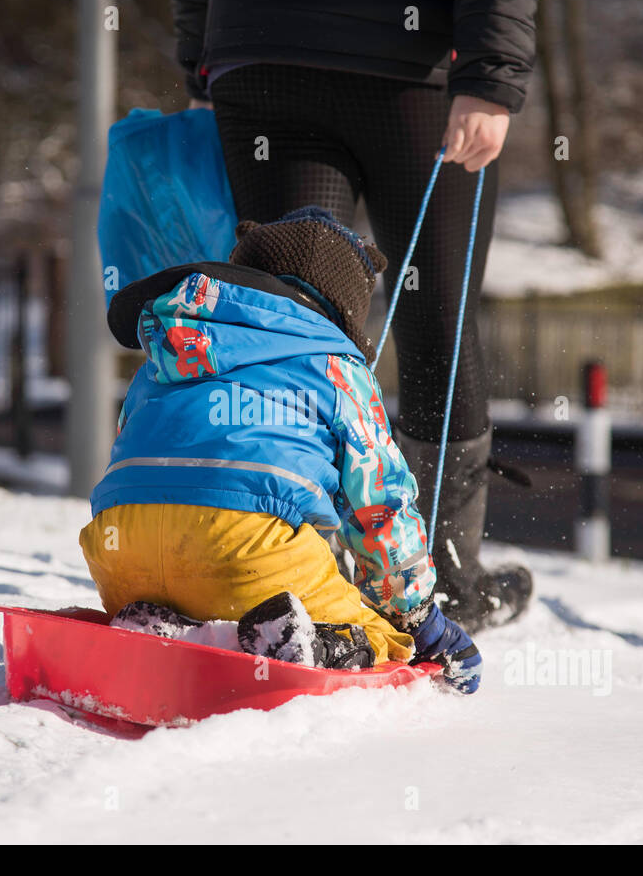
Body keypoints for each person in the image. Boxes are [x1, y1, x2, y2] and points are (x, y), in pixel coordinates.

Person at [170, 0, 543, 632]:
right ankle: (442, 577)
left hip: (259, 51)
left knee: (285, 331)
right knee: (436, 326)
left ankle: (290, 566)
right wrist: (491, 75)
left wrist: (202, 55)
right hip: (409, 64)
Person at [79, 207, 482, 692]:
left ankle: (166, 627)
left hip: (119, 550)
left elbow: (133, 447)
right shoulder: (336, 368)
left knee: (201, 569)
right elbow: (379, 504)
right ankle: (312, 645)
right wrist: (419, 618)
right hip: (247, 553)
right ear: (343, 306)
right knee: (383, 635)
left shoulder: (169, 349)